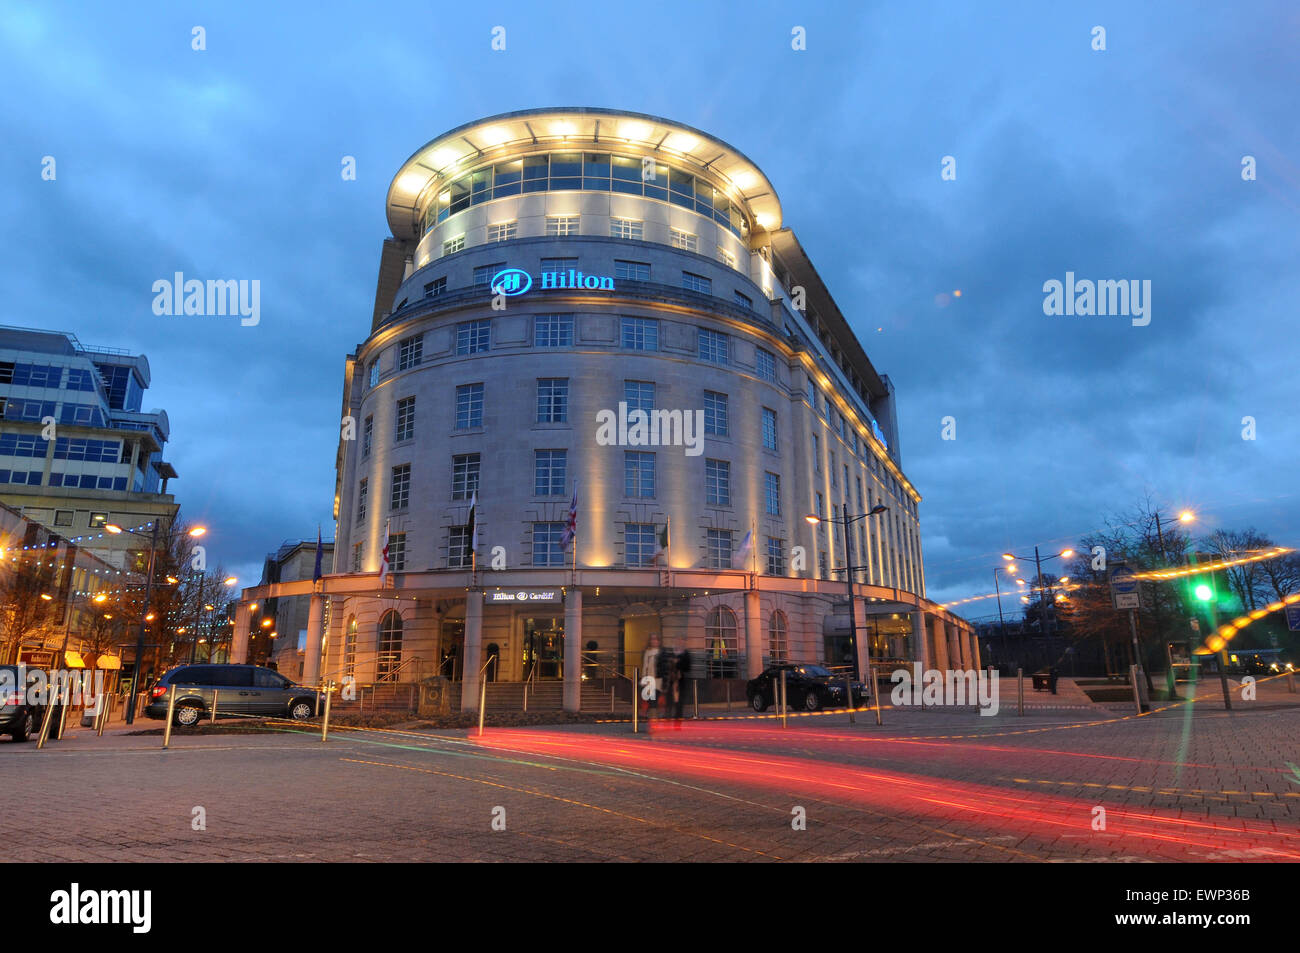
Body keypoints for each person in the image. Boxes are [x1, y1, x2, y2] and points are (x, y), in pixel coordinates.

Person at [641, 633, 662, 721]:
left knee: (655, 698)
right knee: (651, 698)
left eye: (656, 639)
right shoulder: (647, 652)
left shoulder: (662, 652)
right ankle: (653, 715)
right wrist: (643, 678)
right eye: (652, 639)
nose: (654, 641)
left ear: (659, 641)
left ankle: (653, 715)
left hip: (659, 679)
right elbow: (645, 665)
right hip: (650, 678)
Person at [672, 643, 691, 725]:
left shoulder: (685, 655)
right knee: (674, 702)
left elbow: (687, 668)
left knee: (679, 703)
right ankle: (674, 721)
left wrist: (678, 663)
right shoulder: (671, 654)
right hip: (672, 681)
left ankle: (677, 722)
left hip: (679, 681)